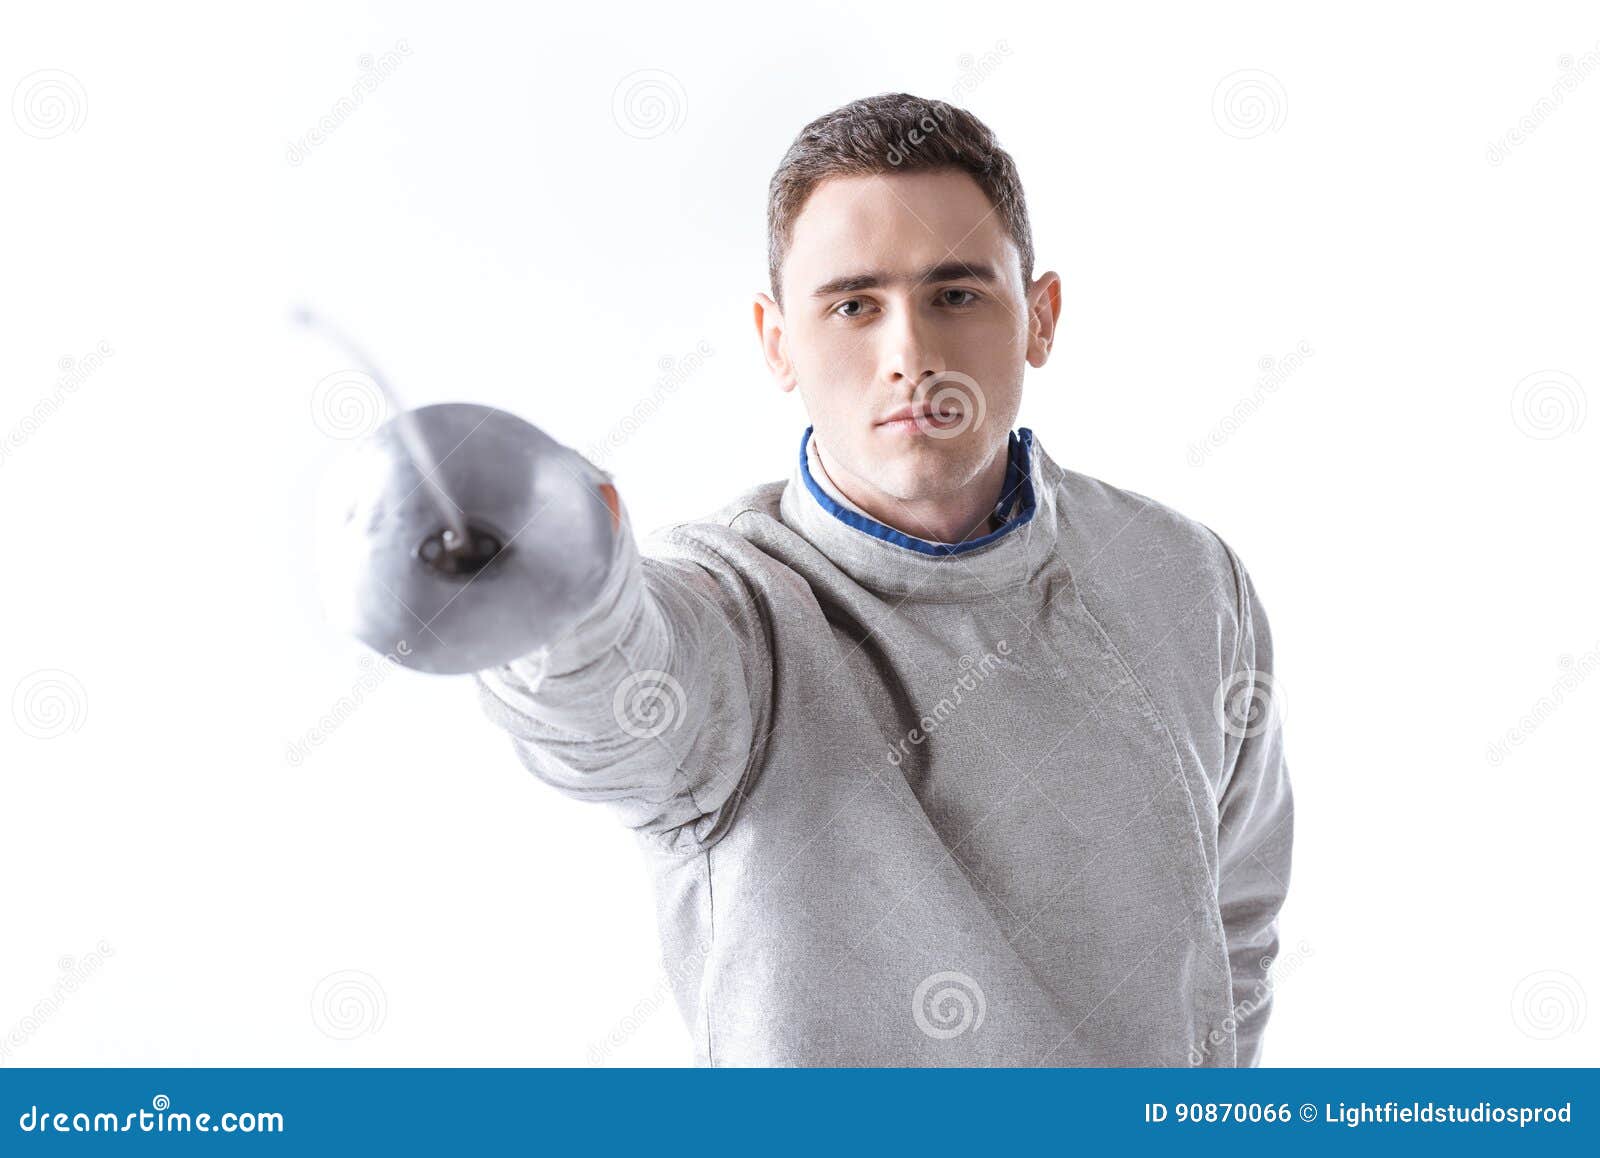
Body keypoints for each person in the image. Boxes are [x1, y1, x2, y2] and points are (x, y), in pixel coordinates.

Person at [472, 92, 1294, 1067]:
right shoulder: (732, 611)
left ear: (1039, 316)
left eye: (955, 294)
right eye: (853, 304)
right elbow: (605, 714)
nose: (909, 355)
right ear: (778, 341)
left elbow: (1235, 919)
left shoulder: (1182, 575)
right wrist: (552, 588)